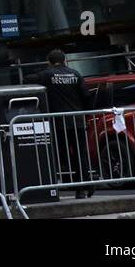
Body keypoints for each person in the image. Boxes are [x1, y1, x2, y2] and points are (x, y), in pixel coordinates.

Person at [34, 49, 94, 198]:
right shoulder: (75, 74)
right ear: (65, 60)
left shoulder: (47, 74)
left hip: (60, 123)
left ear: (49, 61)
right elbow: (86, 95)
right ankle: (87, 185)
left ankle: (75, 186)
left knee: (63, 155)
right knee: (81, 154)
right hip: (77, 120)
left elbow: (28, 79)